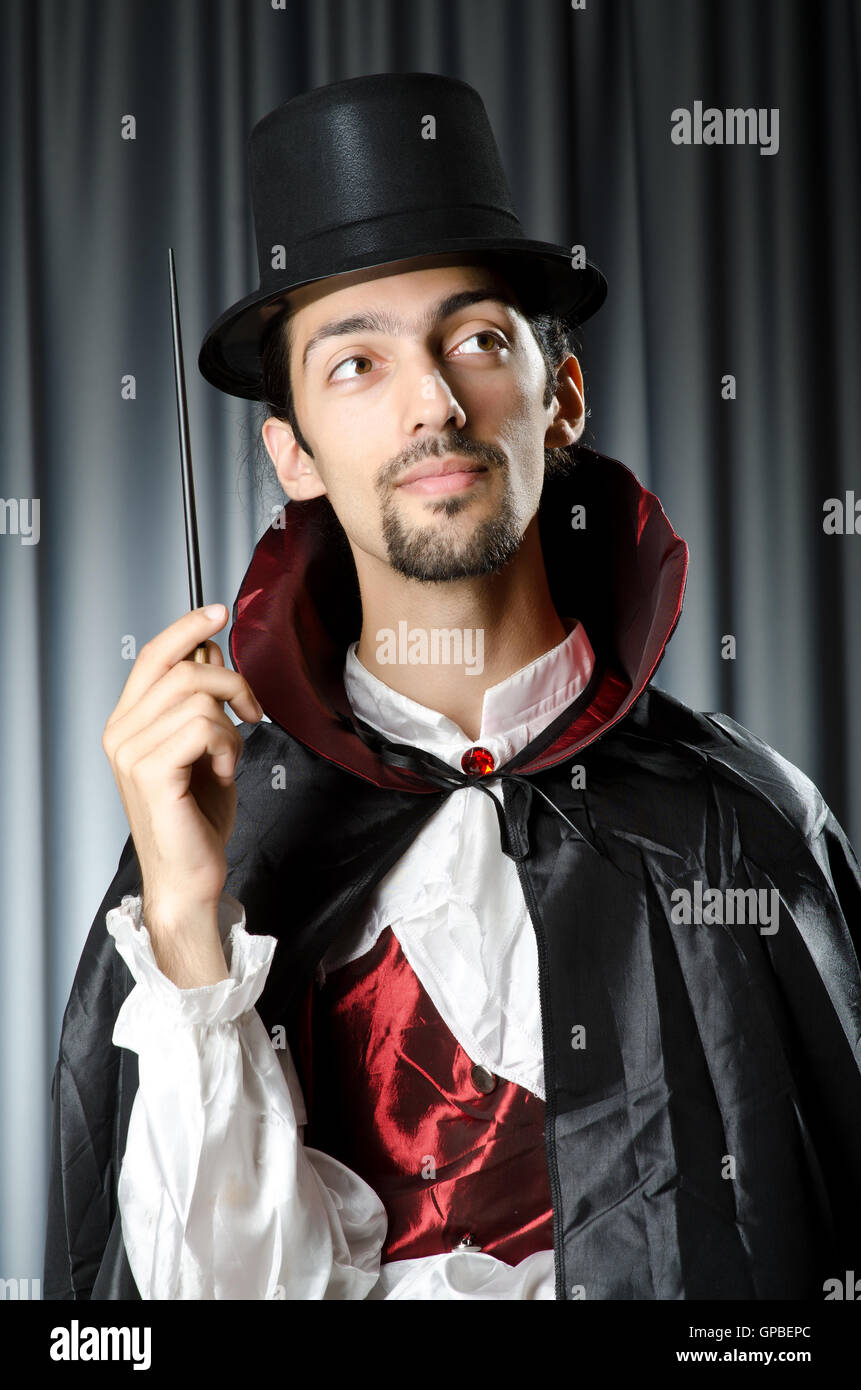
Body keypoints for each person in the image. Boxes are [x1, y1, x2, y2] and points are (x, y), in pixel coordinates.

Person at [44, 73, 861, 1302]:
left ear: (561, 396)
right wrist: (190, 923)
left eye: (476, 340)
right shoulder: (221, 840)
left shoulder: (744, 819)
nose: (431, 402)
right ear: (295, 455)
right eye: (357, 363)